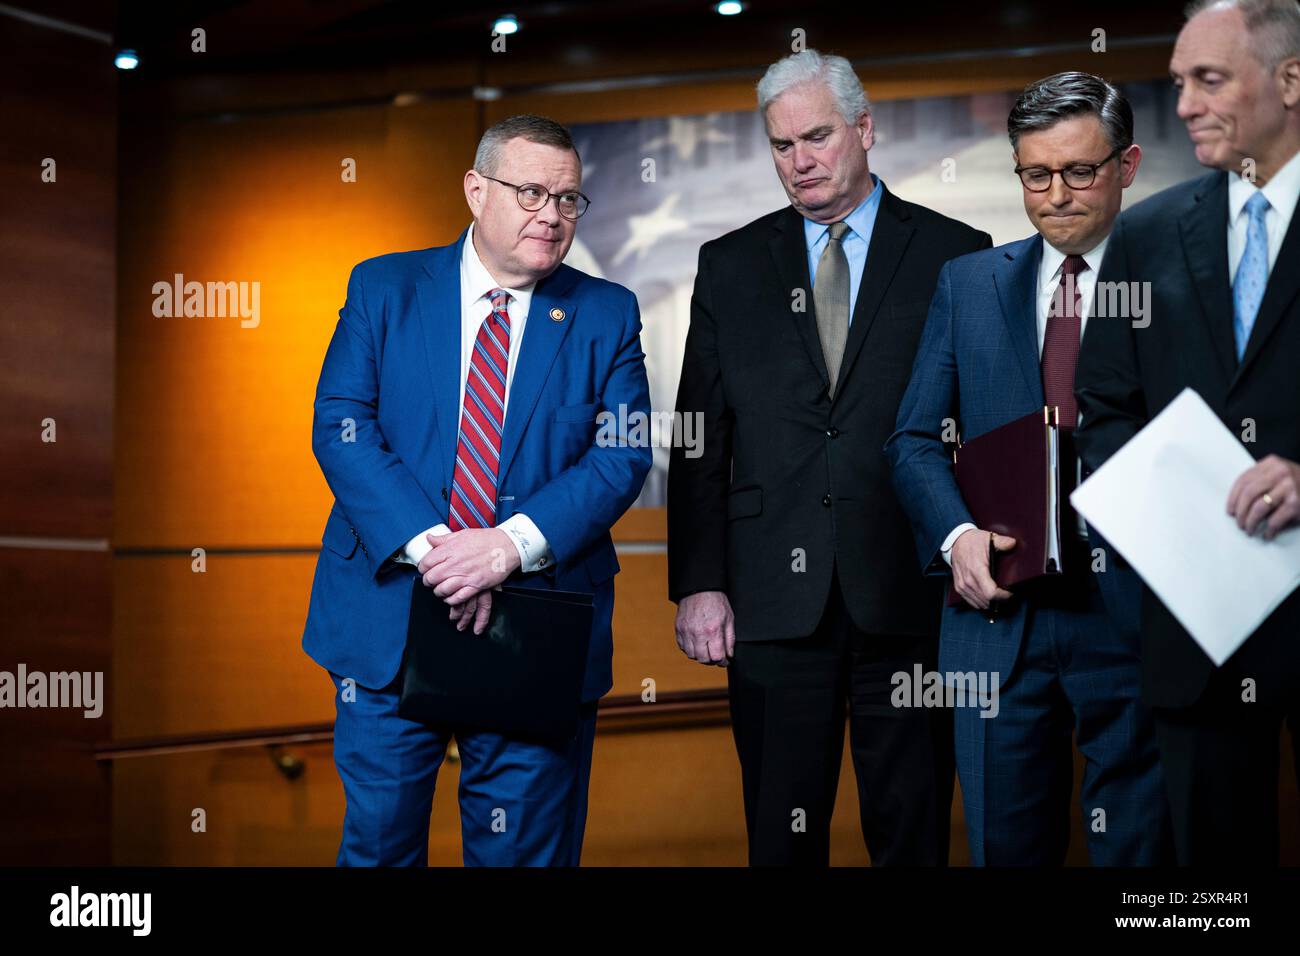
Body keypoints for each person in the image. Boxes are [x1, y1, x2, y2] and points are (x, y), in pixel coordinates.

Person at [668, 49, 991, 866]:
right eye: (781, 145)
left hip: (914, 594)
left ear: (866, 128)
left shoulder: (959, 253)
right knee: (781, 840)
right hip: (770, 602)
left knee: (913, 833)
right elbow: (699, 433)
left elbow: (983, 426)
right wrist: (700, 581)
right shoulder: (729, 264)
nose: (800, 161)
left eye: (816, 137)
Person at [303, 114, 652, 866]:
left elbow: (621, 455)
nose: (551, 216)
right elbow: (341, 425)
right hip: (388, 627)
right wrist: (443, 554)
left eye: (568, 200)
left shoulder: (606, 312)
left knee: (523, 855)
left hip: (535, 626)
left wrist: (505, 548)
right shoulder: (384, 287)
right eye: (530, 192)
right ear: (474, 189)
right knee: (379, 849)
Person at [886, 72, 1171, 865]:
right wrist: (954, 538)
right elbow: (910, 441)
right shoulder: (968, 284)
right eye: (1035, 174)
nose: (1056, 195)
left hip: (1136, 616)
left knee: (1142, 860)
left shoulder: (1177, 278)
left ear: (1127, 164)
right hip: (996, 616)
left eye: (1079, 171)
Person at [1075, 0, 1300, 865]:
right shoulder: (1145, 233)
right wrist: (1177, 513)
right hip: (1197, 625)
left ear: (1289, 80)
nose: (1187, 105)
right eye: (1179, 83)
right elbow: (1104, 407)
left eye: (1209, 79)